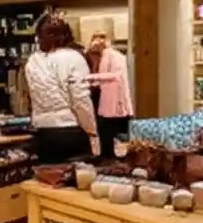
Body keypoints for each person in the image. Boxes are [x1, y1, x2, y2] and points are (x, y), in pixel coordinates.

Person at [24, 14, 99, 163]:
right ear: (66, 35)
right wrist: (92, 131)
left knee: (48, 180)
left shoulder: (32, 62)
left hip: (43, 132)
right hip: (70, 131)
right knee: (75, 181)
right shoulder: (73, 58)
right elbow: (80, 100)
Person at [85, 30, 134, 159]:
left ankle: (108, 158)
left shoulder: (109, 55)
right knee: (112, 131)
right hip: (114, 99)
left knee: (106, 130)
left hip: (111, 100)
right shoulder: (113, 55)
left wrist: (88, 78)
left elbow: (109, 75)